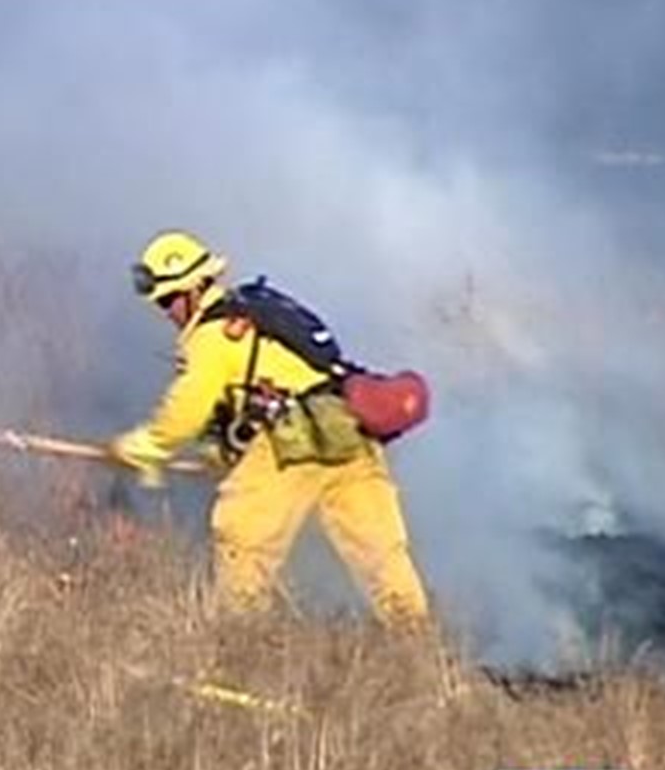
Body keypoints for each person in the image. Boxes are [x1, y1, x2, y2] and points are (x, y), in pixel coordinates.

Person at [106, 228, 430, 624]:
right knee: (381, 552)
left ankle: (237, 637)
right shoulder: (253, 313)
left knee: (242, 535)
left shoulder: (213, 335)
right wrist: (218, 454)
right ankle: (416, 641)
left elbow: (191, 403)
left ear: (194, 288)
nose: (167, 311)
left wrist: (150, 445)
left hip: (294, 440)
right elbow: (238, 406)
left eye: (169, 299)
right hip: (348, 434)